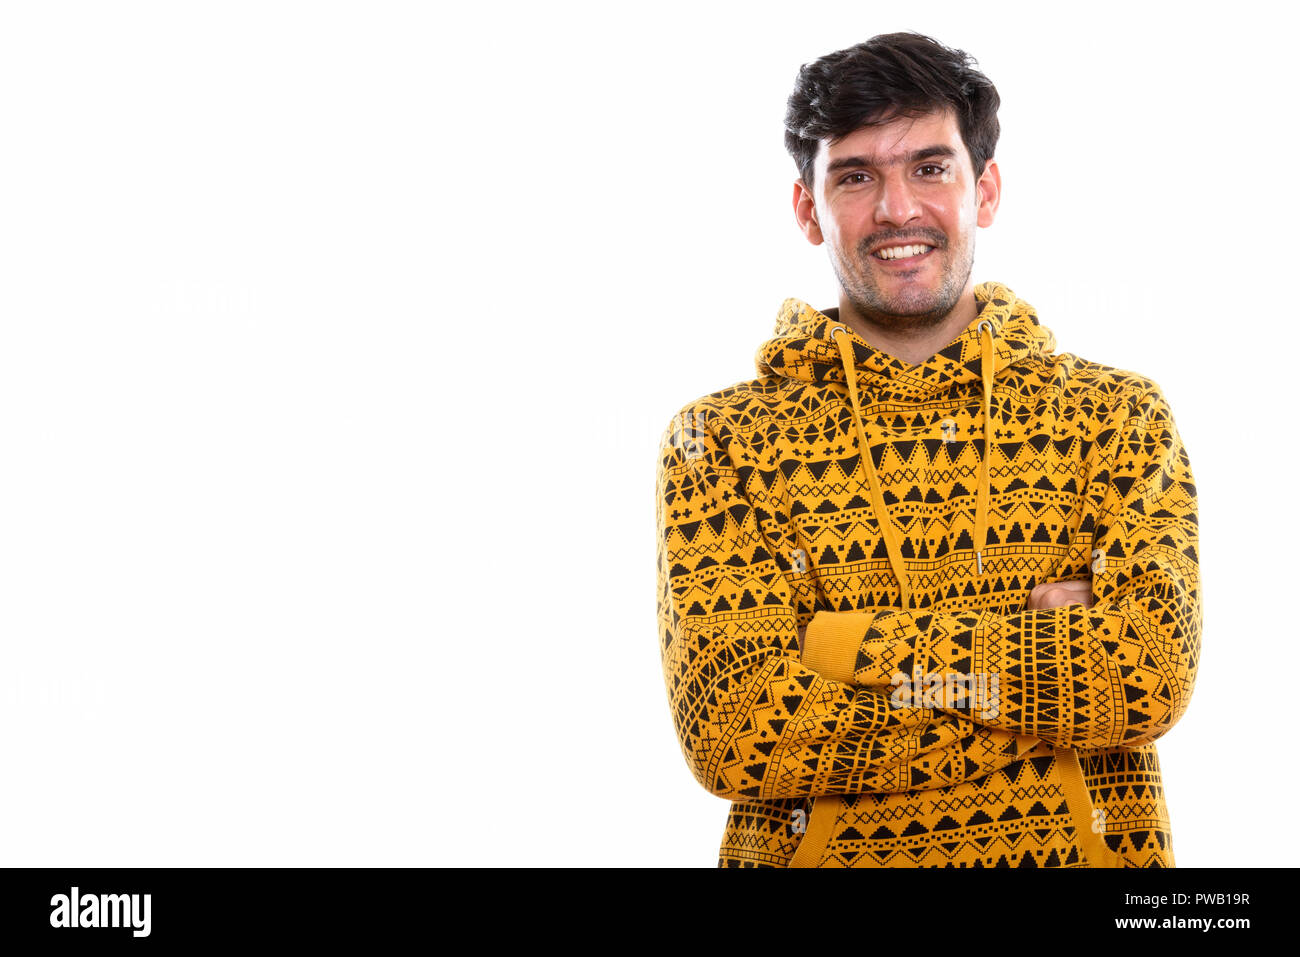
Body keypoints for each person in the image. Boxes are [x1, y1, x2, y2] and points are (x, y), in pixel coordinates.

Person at [653, 32, 1201, 868]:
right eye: (857, 174)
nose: (898, 209)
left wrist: (836, 647)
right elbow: (736, 730)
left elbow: (1148, 672)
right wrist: (1038, 663)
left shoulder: (1116, 418)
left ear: (984, 190)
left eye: (930, 168)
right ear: (809, 209)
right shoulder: (718, 441)